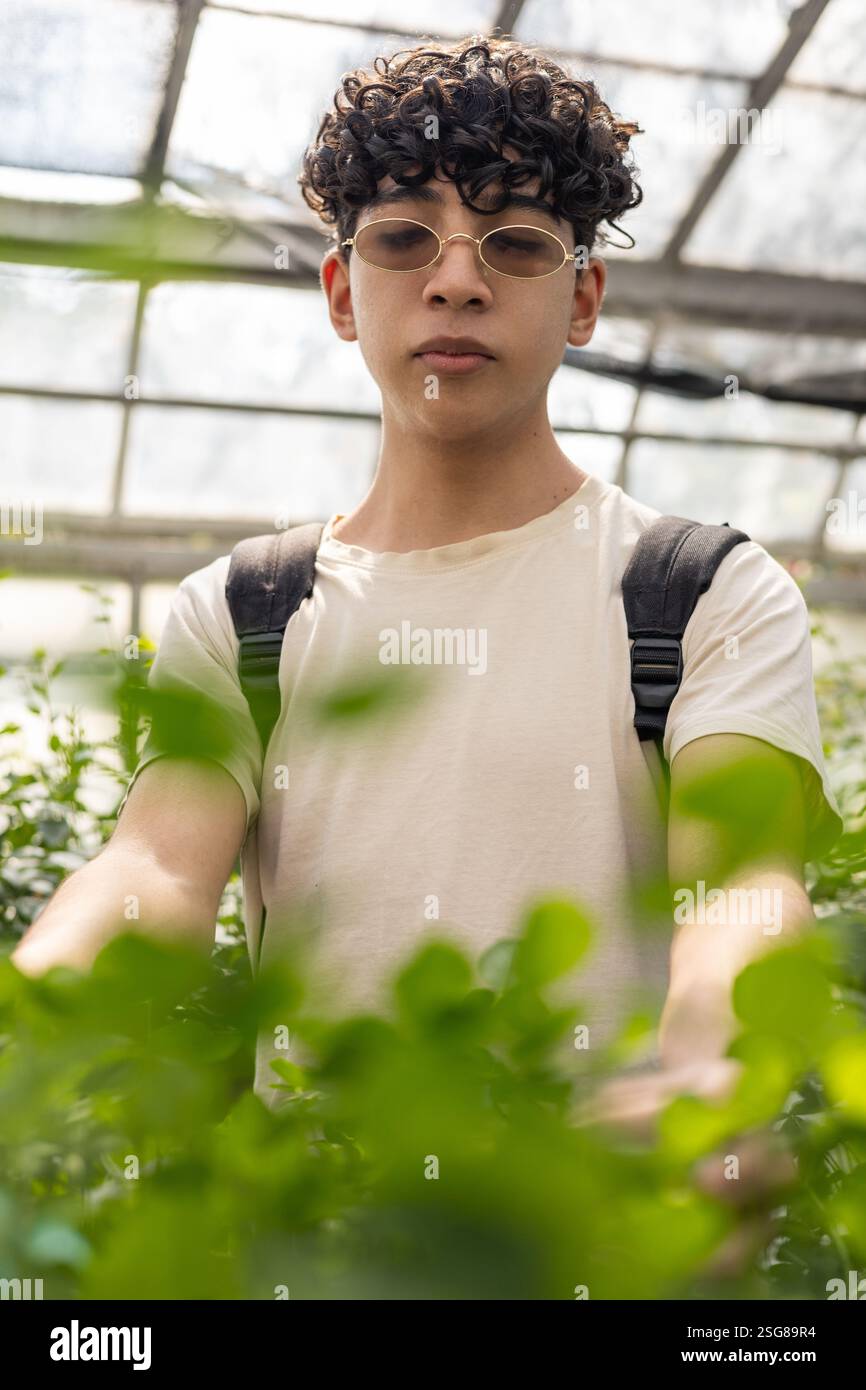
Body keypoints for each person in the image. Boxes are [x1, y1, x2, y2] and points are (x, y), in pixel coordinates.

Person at [13, 37, 843, 1136]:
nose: (455, 278)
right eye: (404, 239)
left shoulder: (698, 592)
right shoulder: (247, 609)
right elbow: (156, 868)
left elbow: (740, 891)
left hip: (608, 1224)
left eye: (514, 242)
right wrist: (33, 1016)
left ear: (582, 297)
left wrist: (701, 1080)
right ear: (342, 292)